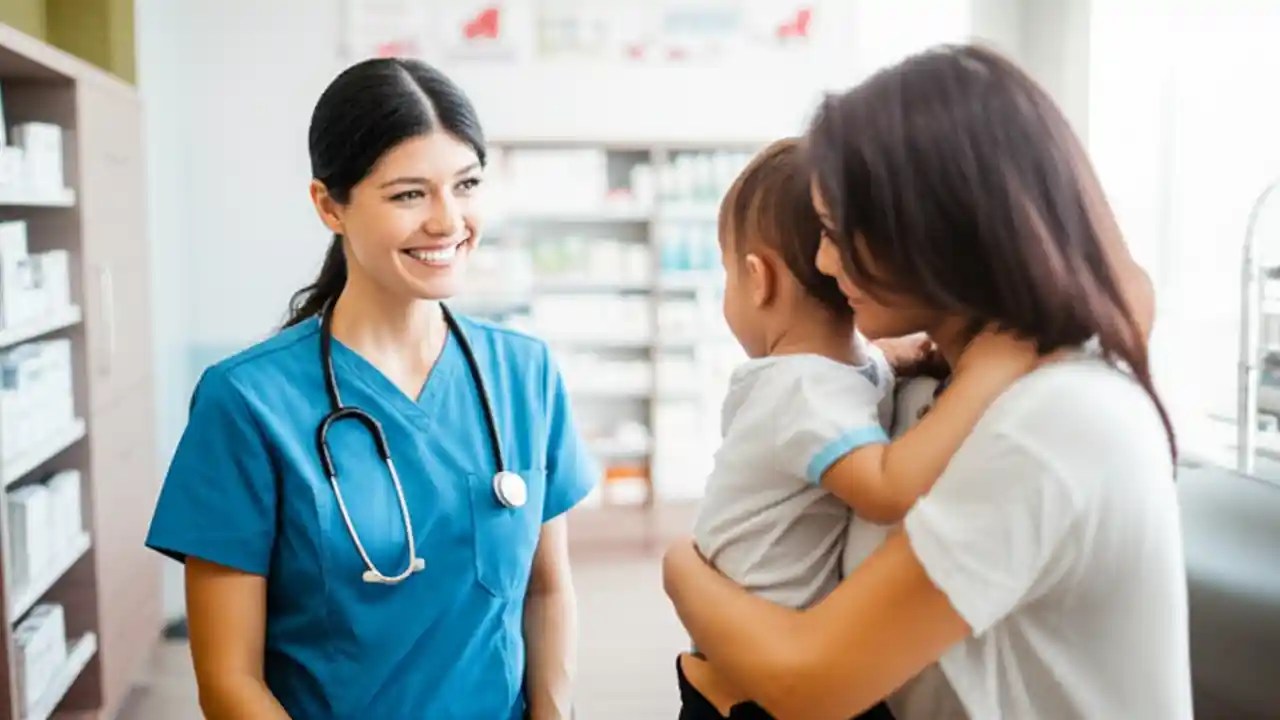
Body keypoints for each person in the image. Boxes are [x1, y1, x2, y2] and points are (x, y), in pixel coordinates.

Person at [664, 44, 1190, 720]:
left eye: (836, 232)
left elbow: (809, 680)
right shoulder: (934, 389)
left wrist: (680, 569)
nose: (822, 261)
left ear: (937, 225)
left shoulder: (1055, 417)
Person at [144, 58, 598, 719]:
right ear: (330, 206)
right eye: (409, 195)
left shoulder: (524, 374)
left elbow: (546, 591)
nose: (447, 221)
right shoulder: (247, 402)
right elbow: (228, 680)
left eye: (466, 184)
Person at [677, 138, 1040, 719]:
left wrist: (969, 367)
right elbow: (883, 470)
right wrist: (978, 370)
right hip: (752, 670)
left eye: (726, 275)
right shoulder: (809, 386)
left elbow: (882, 458)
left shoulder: (809, 383)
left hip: (755, 677)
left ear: (758, 279)